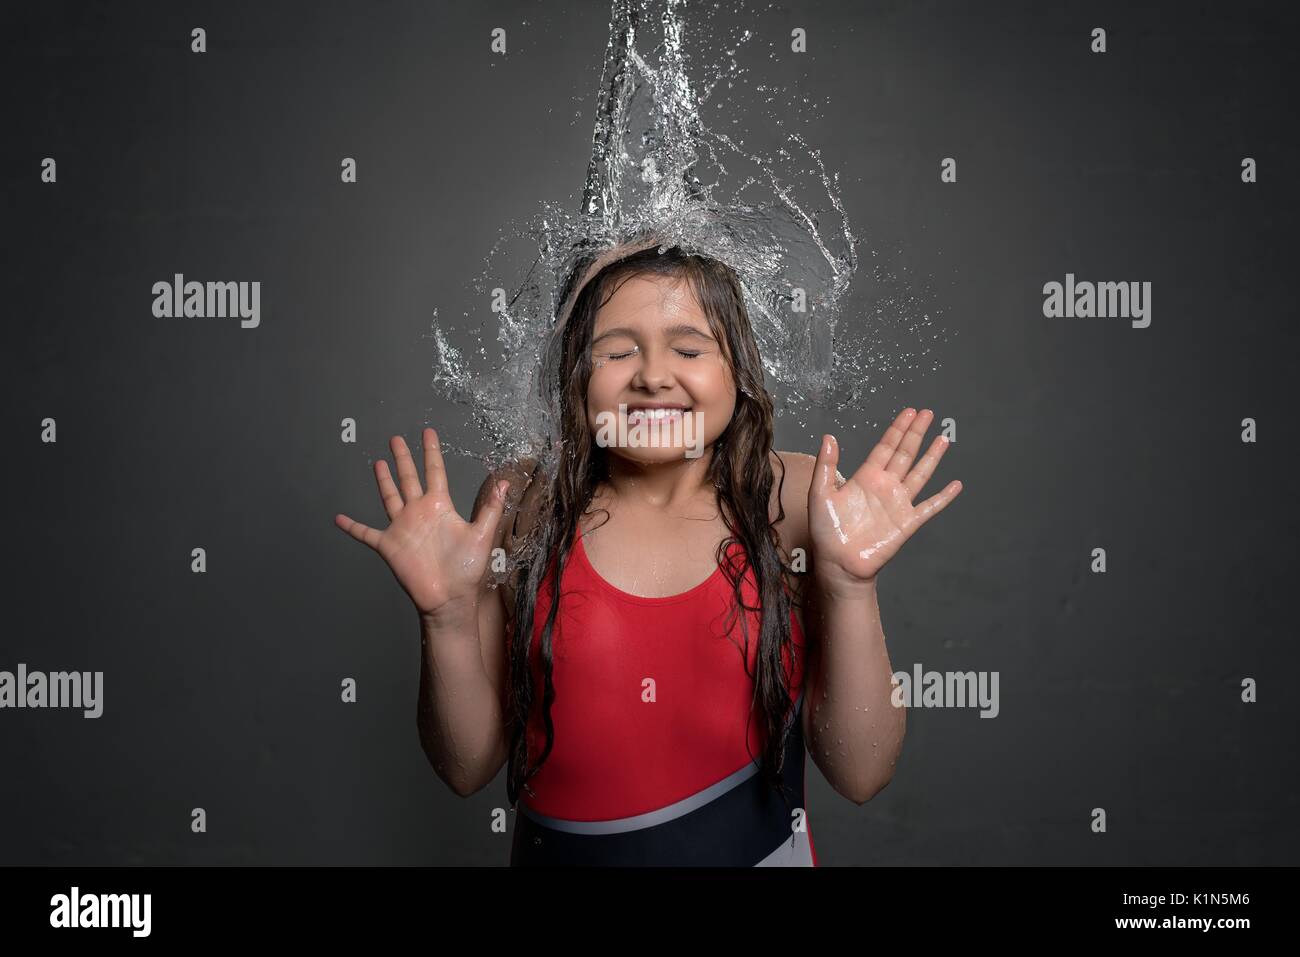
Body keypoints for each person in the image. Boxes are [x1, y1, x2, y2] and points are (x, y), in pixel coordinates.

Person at [334, 239, 962, 865]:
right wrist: (445, 619)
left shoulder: (795, 500)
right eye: (617, 350)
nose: (654, 375)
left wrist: (851, 589)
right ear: (573, 370)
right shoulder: (521, 501)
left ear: (737, 370)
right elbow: (466, 767)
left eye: (689, 349)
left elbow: (862, 774)